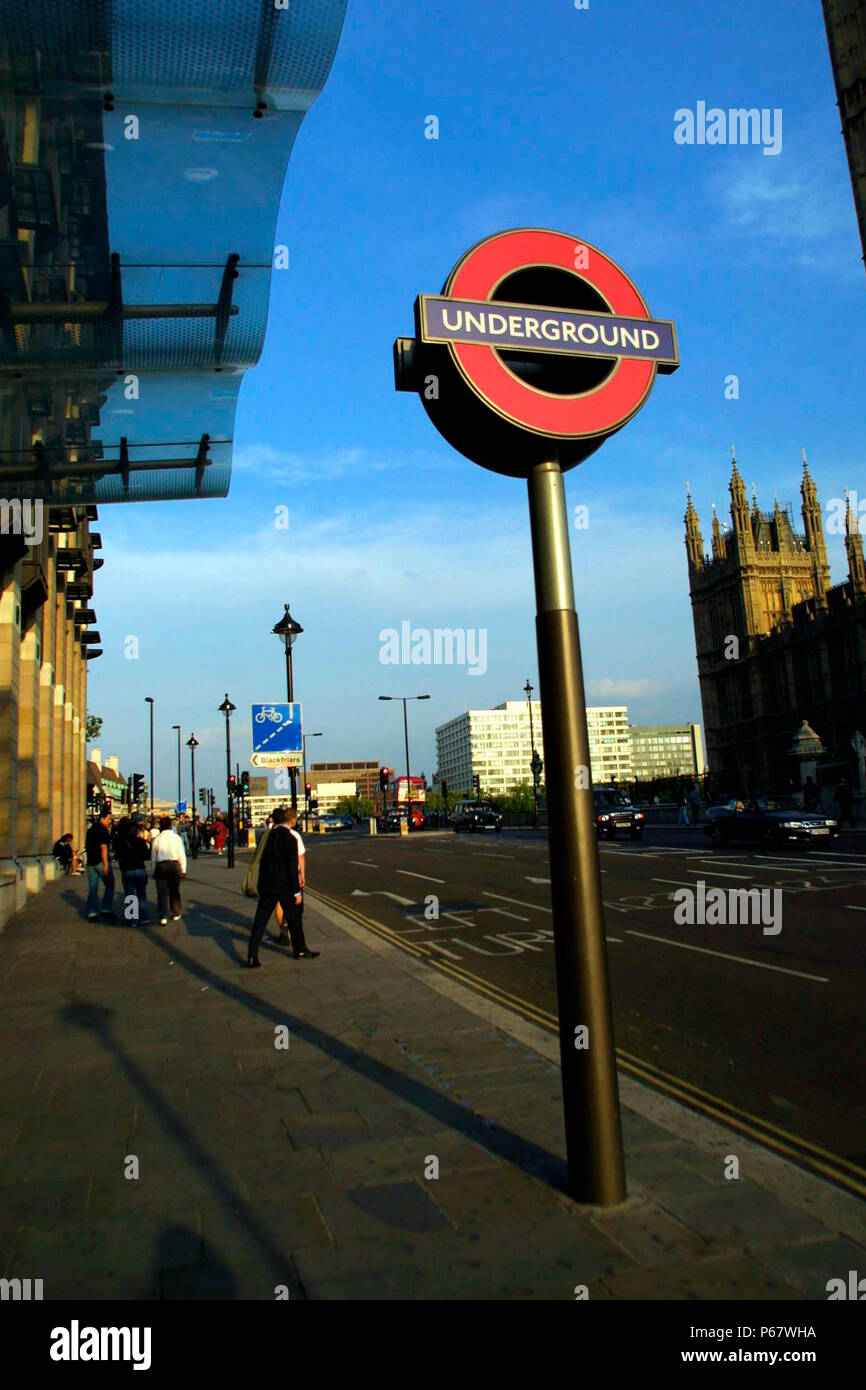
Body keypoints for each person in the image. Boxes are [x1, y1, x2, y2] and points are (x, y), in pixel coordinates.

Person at [247, 806, 317, 967]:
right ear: (293, 820)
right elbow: (292, 868)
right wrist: (296, 891)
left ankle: (252, 956)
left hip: (267, 885)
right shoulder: (290, 839)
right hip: (285, 886)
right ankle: (300, 949)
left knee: (259, 922)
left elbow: (262, 861)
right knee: (294, 920)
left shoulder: (269, 836)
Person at [271, 808, 307, 943]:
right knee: (296, 909)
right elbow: (300, 857)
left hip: (276, 877)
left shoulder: (271, 835)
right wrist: (302, 874)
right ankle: (295, 936)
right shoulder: (294, 836)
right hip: (293, 878)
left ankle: (283, 929)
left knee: (279, 905)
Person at [151, 815, 187, 924]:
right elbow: (181, 854)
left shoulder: (157, 839)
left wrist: (154, 869)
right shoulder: (176, 838)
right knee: (174, 890)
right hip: (174, 865)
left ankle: (163, 916)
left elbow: (153, 857)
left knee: (162, 892)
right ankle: (175, 912)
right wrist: (183, 869)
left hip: (161, 866)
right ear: (171, 826)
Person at [115, 818, 152, 924]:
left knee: (130, 894)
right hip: (139, 869)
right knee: (141, 894)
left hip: (126, 870)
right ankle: (144, 917)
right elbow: (147, 855)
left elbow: (117, 856)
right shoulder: (140, 841)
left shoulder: (120, 842)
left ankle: (132, 919)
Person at [84, 808, 116, 922]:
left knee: (93, 888)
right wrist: (106, 864)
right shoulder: (103, 830)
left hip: (90, 862)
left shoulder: (90, 830)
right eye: (108, 819)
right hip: (100, 862)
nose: (110, 822)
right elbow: (103, 847)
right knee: (110, 885)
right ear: (102, 818)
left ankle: (92, 912)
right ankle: (106, 908)